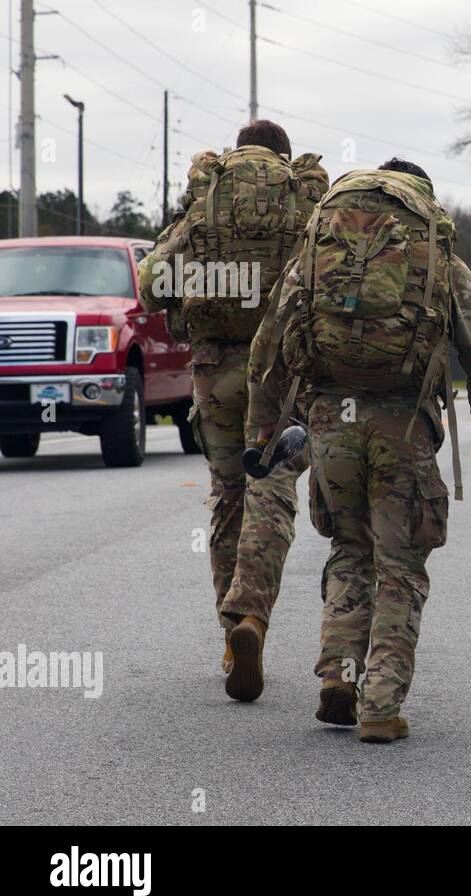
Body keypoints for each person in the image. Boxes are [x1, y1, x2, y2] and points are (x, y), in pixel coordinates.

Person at [248, 157, 471, 743]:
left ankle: (338, 678)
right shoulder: (438, 257)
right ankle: (381, 703)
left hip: (328, 421)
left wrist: (263, 426)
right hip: (402, 423)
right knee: (399, 563)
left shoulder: (320, 250)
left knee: (349, 548)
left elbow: (268, 345)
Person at [137, 120, 328, 702]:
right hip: (283, 374)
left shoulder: (207, 200)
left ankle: (232, 639)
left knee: (228, 496)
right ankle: (254, 615)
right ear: (284, 156)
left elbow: (152, 288)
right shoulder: (304, 200)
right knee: (270, 489)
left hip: (216, 372)